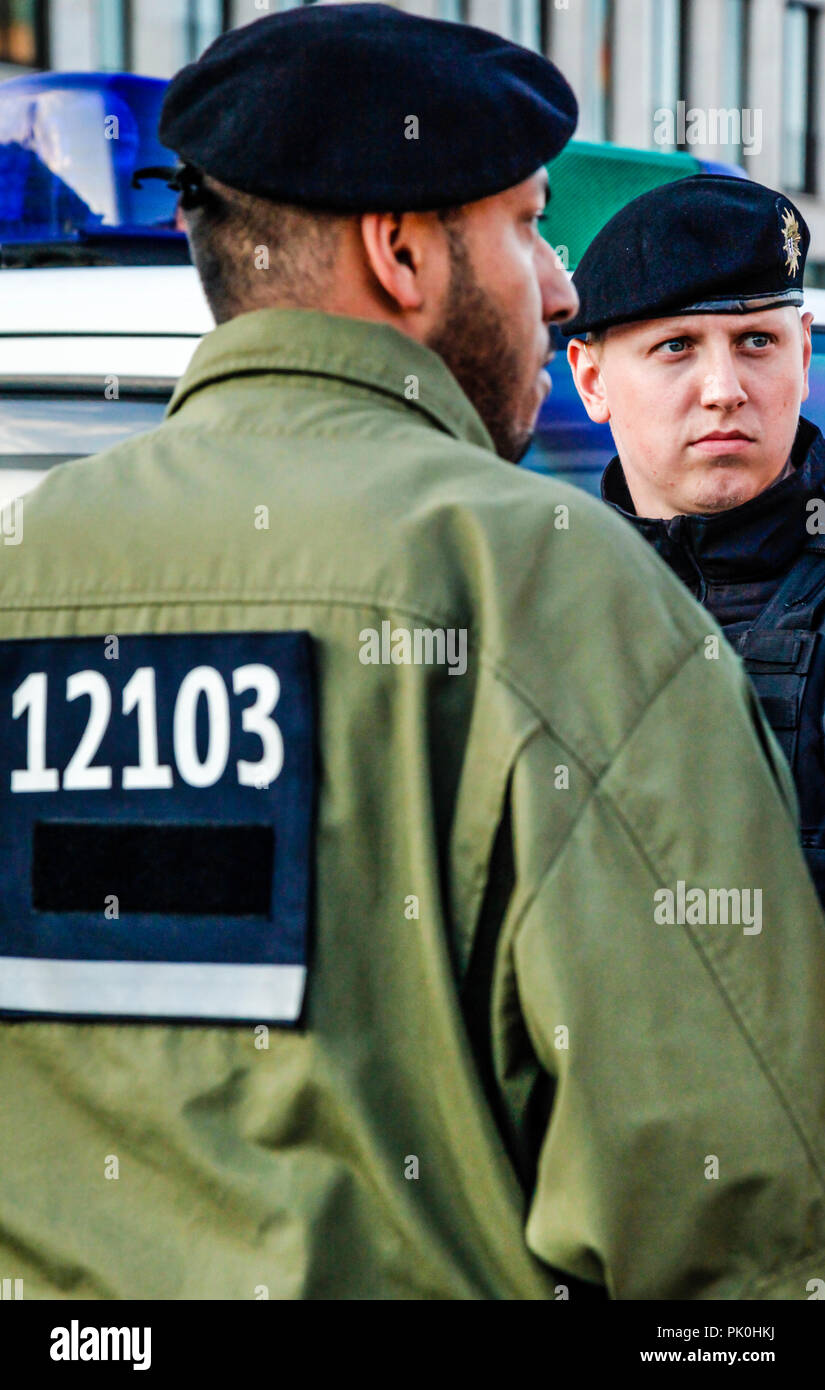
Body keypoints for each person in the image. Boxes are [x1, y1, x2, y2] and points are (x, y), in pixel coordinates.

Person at [1, 5, 824, 1302]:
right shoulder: (545, 580)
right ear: (400, 253)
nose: (558, 286)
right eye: (523, 226)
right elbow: (717, 1197)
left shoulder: (22, 572)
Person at [565, 174, 825, 905]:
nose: (723, 388)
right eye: (676, 345)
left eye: (754, 341)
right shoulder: (534, 604)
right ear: (590, 380)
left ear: (802, 357)